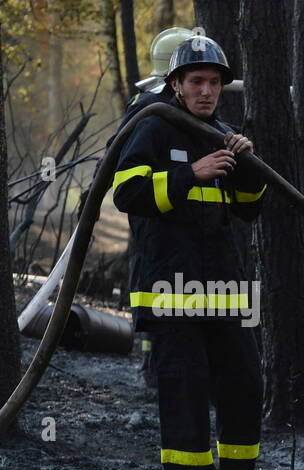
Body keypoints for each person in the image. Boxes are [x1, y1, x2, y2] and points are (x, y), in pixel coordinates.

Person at [112, 36, 288, 470]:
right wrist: (190, 173)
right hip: (171, 294)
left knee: (243, 391)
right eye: (197, 82)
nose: (207, 90)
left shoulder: (222, 133)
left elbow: (249, 207)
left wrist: (247, 164)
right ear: (176, 85)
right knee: (184, 397)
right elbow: (127, 192)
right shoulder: (150, 125)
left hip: (226, 293)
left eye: (215, 83)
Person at [116, 26, 196, 387]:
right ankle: (152, 366)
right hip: (157, 224)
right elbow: (127, 183)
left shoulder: (159, 106)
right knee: (155, 294)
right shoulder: (151, 112)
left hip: (182, 233)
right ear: (175, 78)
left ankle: (156, 364)